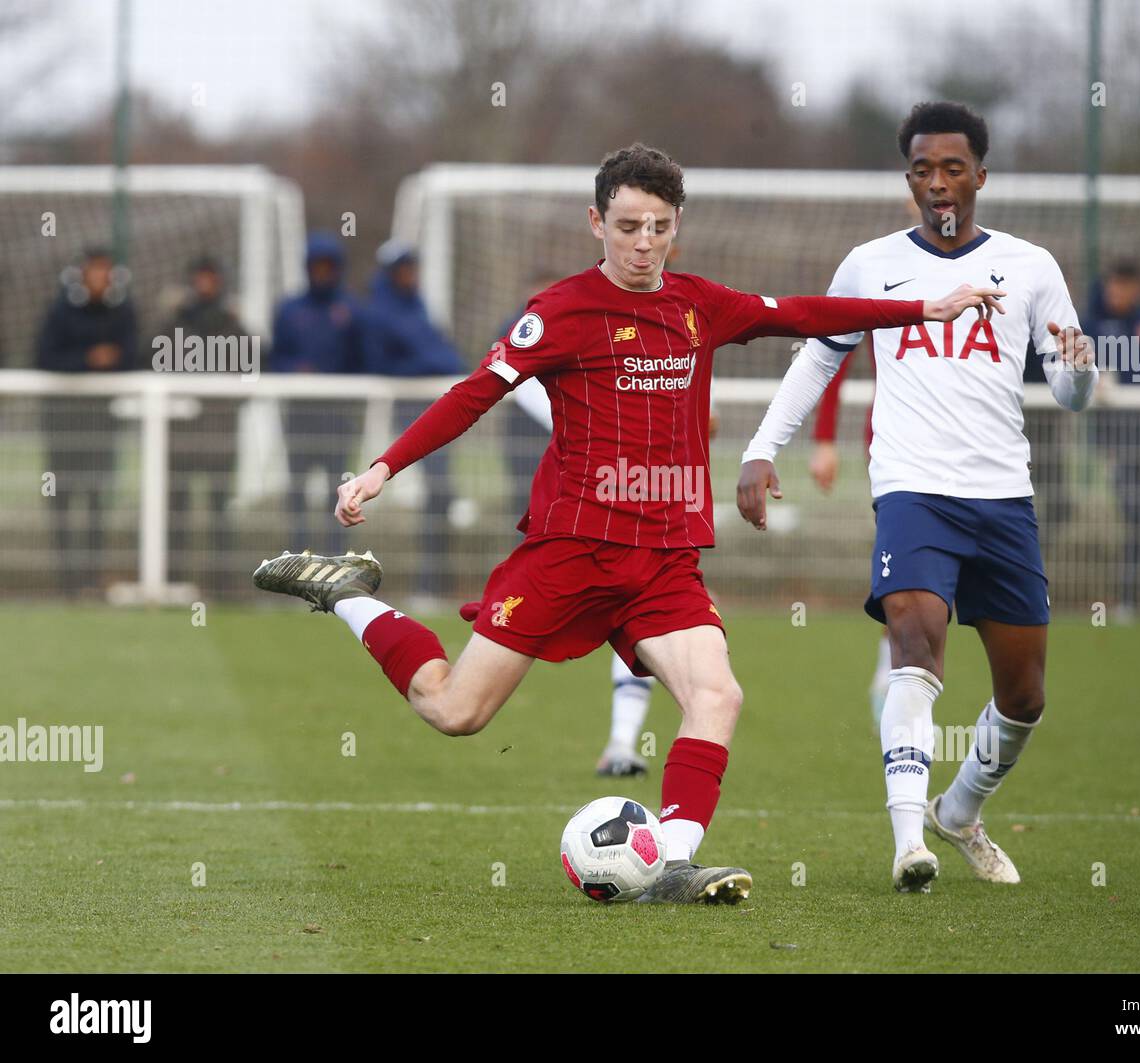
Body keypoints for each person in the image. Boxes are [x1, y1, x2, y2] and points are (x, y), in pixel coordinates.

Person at [253, 141, 1001, 904]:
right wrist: (382, 469)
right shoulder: (560, 314)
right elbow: (472, 394)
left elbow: (804, 312)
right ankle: (346, 592)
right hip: (570, 553)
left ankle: (671, 862)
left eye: (659, 226)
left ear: (678, 226)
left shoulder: (698, 304)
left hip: (665, 560)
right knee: (454, 710)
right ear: (596, 222)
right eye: (628, 225)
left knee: (719, 696)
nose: (644, 243)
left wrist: (922, 307)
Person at [737, 102, 1097, 893]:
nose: (938, 183)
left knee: (1025, 694)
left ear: (980, 177)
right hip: (911, 489)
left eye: (952, 168)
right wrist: (763, 448)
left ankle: (959, 810)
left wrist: (1080, 365)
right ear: (908, 180)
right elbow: (816, 360)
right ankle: (909, 843)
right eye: (923, 170)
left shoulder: (1031, 265)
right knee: (915, 638)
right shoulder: (868, 264)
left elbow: (1071, 393)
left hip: (1003, 497)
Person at [362, 240, 464, 606]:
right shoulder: (380, 312)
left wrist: (437, 363)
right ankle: (426, 581)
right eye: (404, 268)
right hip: (410, 413)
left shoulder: (417, 306)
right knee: (433, 489)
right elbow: (382, 362)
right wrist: (430, 365)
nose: (411, 274)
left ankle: (435, 578)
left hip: (435, 409)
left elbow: (444, 353)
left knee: (441, 493)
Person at [36, 246, 138, 595]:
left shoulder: (123, 312)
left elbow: (134, 356)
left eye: (105, 270)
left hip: (102, 427)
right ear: (83, 273)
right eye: (94, 270)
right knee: (63, 502)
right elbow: (45, 356)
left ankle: (92, 578)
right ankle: (67, 581)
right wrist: (88, 359)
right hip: (63, 426)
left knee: (96, 500)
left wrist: (112, 360)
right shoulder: (61, 310)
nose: (99, 277)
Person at [806, 340, 893, 729]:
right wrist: (824, 438)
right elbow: (836, 349)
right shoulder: (880, 277)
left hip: (969, 444)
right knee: (908, 564)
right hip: (895, 443)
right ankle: (890, 677)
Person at [1082, 260, 1140, 613]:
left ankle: (1133, 594)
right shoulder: (1090, 324)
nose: (1117, 293)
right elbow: (1075, 372)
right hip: (1114, 439)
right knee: (1136, 510)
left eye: (1124, 286)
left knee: (1139, 510)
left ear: (1137, 288)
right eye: (1113, 285)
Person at [270, 232, 364, 558]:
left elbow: (362, 360)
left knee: (337, 491)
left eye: (328, 266)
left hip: (338, 418)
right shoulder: (289, 310)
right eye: (317, 266)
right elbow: (275, 357)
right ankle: (297, 562)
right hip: (299, 416)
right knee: (297, 489)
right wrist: (295, 371)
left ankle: (334, 560)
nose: (322, 273)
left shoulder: (350, 310)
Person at [164, 255, 249, 592]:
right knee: (176, 512)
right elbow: (149, 358)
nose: (205, 284)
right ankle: (171, 580)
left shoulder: (233, 326)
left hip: (219, 436)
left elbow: (258, 366)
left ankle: (222, 585)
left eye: (210, 277)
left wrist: (226, 401)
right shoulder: (173, 324)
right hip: (179, 437)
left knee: (219, 512)